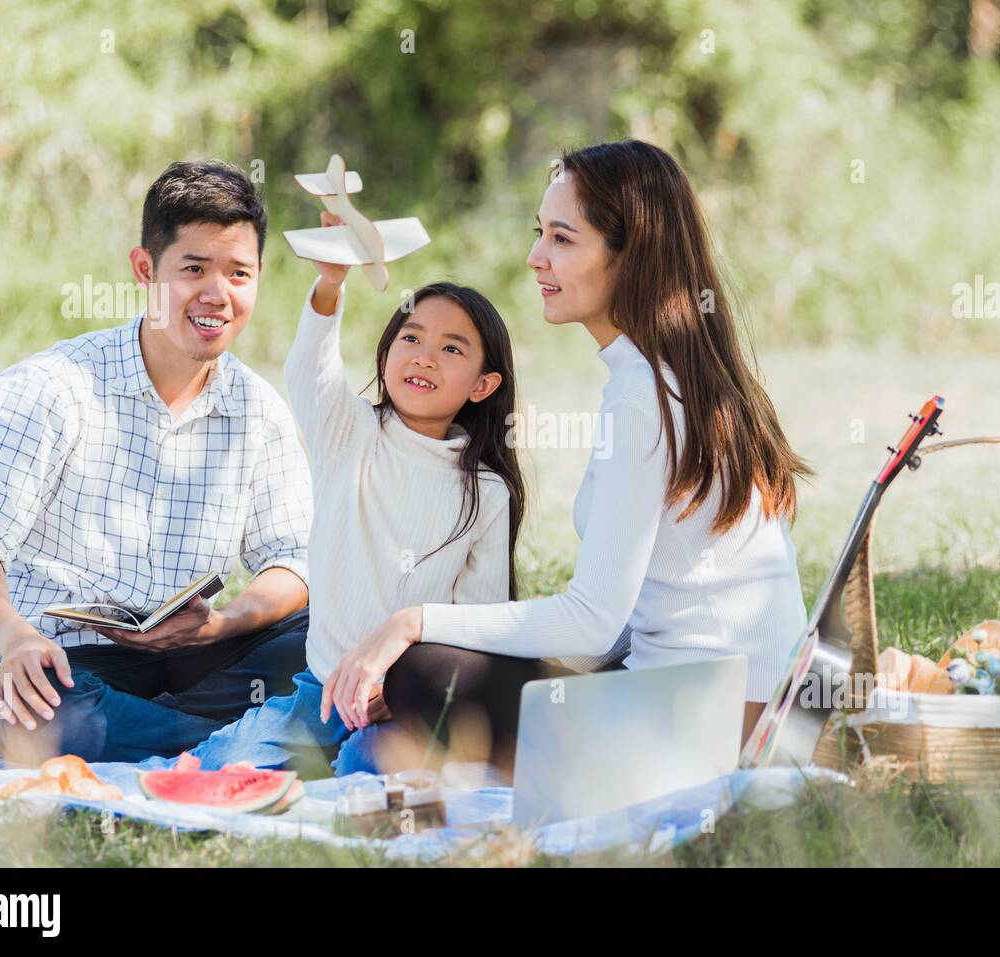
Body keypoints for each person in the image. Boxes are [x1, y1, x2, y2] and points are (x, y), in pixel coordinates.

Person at [324, 140, 814, 772]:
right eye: (539, 233)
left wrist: (414, 623)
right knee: (448, 665)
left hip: (697, 730)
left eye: (562, 238)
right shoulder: (683, 377)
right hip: (742, 709)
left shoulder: (645, 397)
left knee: (421, 670)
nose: (535, 258)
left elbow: (592, 623)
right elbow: (611, 630)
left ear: (630, 254)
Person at [0, 160, 314, 766]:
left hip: (193, 661)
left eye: (238, 273)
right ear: (145, 269)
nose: (217, 294)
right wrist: (14, 638)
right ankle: (251, 740)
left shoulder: (258, 409)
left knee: (328, 638)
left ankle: (203, 735)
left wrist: (222, 625)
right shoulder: (50, 389)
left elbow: (295, 560)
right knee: (49, 716)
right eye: (193, 269)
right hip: (60, 661)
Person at [177, 209, 524, 777]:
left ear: (483, 386)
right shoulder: (351, 431)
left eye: (453, 349)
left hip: (404, 696)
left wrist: (409, 687)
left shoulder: (484, 491)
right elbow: (308, 370)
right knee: (224, 765)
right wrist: (332, 282)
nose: (425, 356)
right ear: (386, 356)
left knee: (369, 770)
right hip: (321, 688)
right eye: (411, 337)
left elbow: (478, 617)